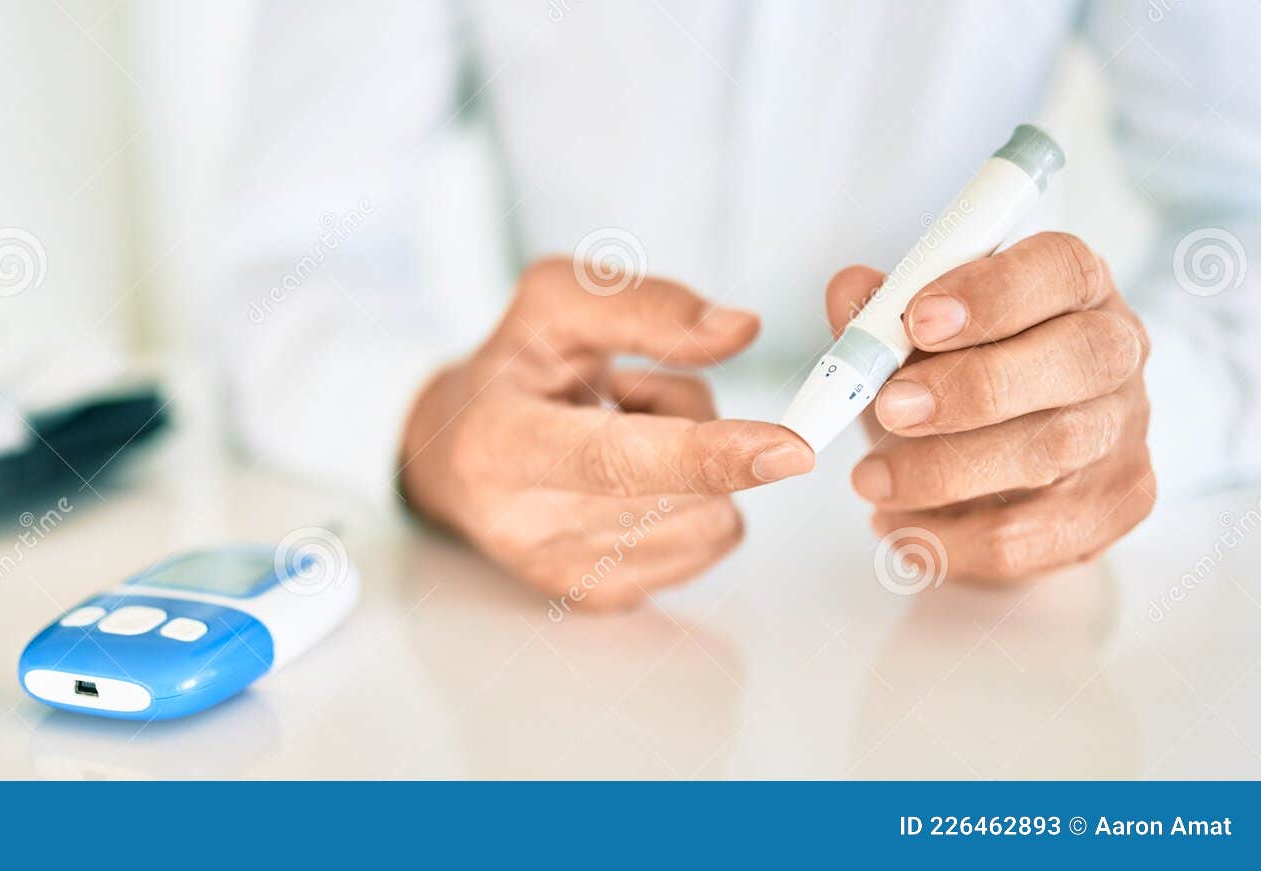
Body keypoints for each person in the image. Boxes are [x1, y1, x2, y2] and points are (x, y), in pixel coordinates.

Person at [216, 1, 1259, 608]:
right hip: (560, 576)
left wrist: (1128, 396)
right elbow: (296, 246)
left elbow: (1240, 204)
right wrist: (434, 427)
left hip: (959, 601)